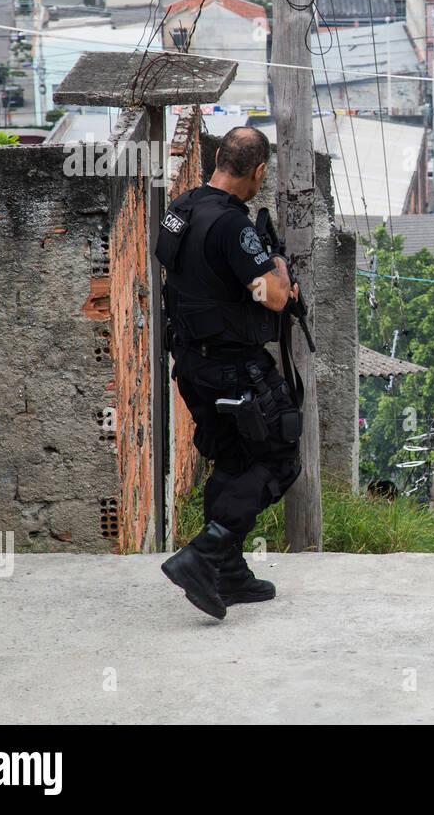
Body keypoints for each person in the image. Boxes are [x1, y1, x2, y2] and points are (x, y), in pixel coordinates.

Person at [154, 127, 303, 620]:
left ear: (218, 158)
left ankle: (229, 572)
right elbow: (275, 297)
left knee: (233, 459)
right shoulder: (233, 226)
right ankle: (206, 553)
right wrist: (277, 263)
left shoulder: (180, 209)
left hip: (191, 365)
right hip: (233, 367)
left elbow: (195, 276)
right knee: (279, 458)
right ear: (259, 171)